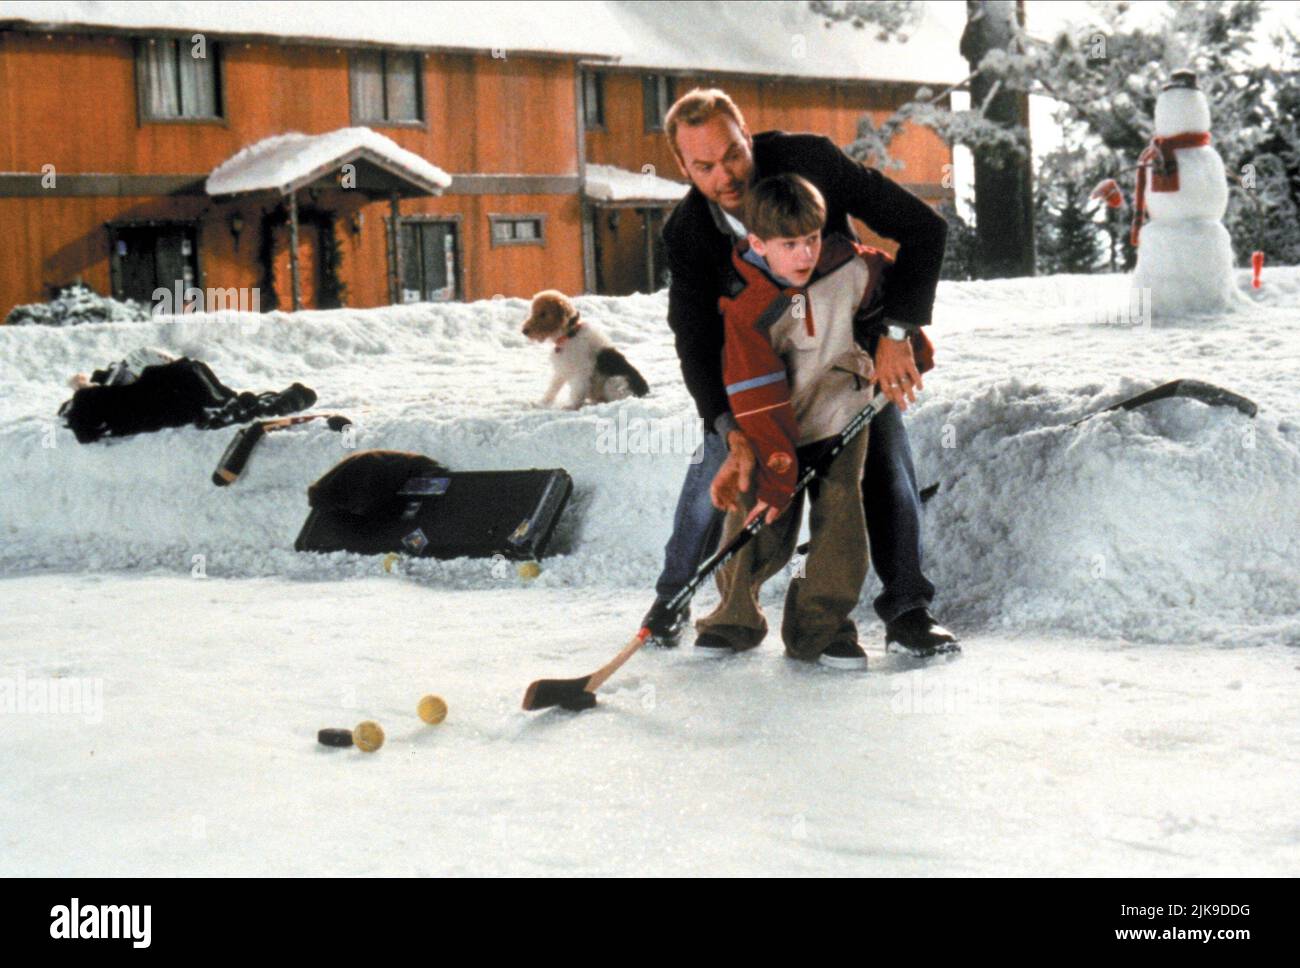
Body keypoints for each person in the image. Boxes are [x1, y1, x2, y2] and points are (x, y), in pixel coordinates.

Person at [642, 88, 958, 657]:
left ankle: (908, 610)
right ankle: (672, 601)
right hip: (759, 376)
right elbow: (695, 340)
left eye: (733, 154)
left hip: (842, 357)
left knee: (885, 464)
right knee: (721, 472)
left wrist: (894, 335)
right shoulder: (689, 232)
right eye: (704, 166)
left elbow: (922, 228)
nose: (725, 175)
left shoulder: (809, 160)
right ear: (682, 166)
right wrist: (728, 428)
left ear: (747, 136)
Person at [695, 173, 897, 668]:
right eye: (790, 245)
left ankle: (821, 628)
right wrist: (777, 481)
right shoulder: (746, 304)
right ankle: (734, 616)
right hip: (769, 422)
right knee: (756, 510)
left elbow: (895, 300)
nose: (806, 254)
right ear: (758, 243)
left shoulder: (853, 267)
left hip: (840, 407)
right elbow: (759, 396)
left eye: (812, 239)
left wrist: (905, 346)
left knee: (841, 510)